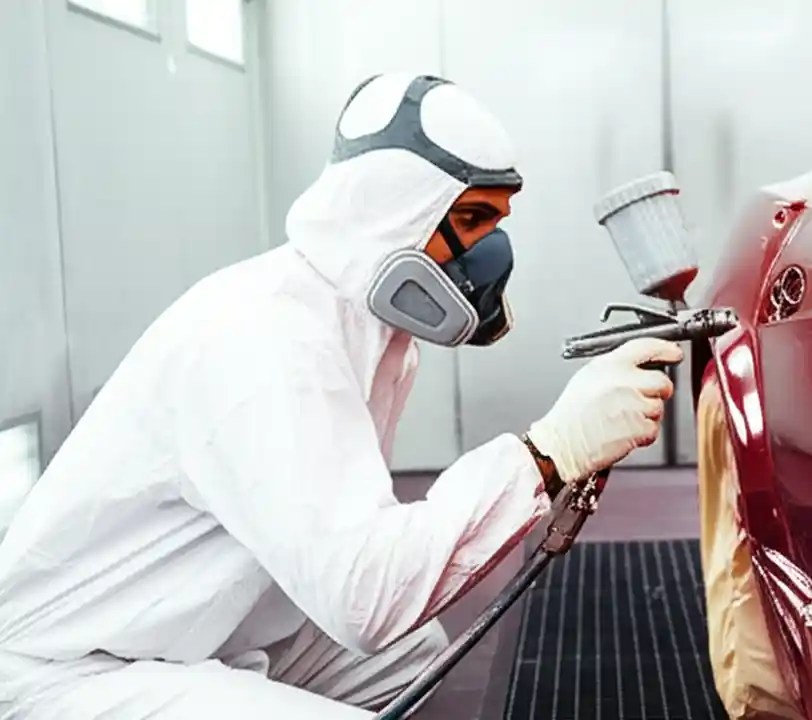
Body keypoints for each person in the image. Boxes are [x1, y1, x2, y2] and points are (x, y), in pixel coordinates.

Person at [0, 73, 681, 718]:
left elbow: (349, 549)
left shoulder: (366, 331)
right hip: (79, 667)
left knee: (413, 658)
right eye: (472, 219)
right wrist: (547, 453)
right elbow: (365, 596)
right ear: (394, 212)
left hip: (198, 626)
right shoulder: (264, 341)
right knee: (385, 627)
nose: (487, 253)